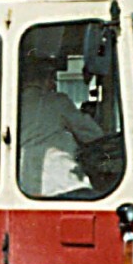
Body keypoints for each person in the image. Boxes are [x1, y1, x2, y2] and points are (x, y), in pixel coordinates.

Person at [18, 56, 104, 197]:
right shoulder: (58, 101)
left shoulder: (11, 105)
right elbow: (93, 135)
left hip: (25, 183)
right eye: (53, 80)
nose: (53, 85)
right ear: (47, 79)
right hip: (61, 183)